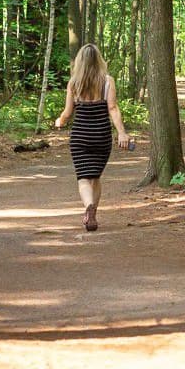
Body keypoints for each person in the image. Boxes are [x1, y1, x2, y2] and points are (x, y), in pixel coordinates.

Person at [54, 44, 131, 231]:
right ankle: (93, 212)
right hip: (101, 135)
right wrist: (121, 132)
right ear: (99, 60)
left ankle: (88, 207)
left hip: (80, 136)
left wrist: (59, 121)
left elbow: (67, 112)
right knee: (95, 177)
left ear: (80, 61)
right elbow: (112, 108)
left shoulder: (73, 83)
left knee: (83, 178)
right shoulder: (107, 81)